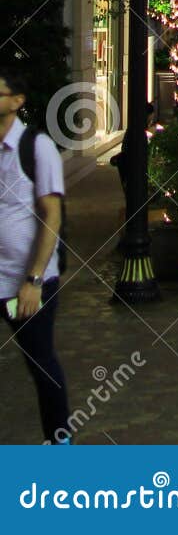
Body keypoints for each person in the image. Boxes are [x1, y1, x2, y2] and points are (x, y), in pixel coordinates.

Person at [0, 64, 71, 443]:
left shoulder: (36, 147)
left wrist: (34, 280)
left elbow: (51, 215)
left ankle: (59, 445)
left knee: (40, 365)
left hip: (23, 287)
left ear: (16, 101)